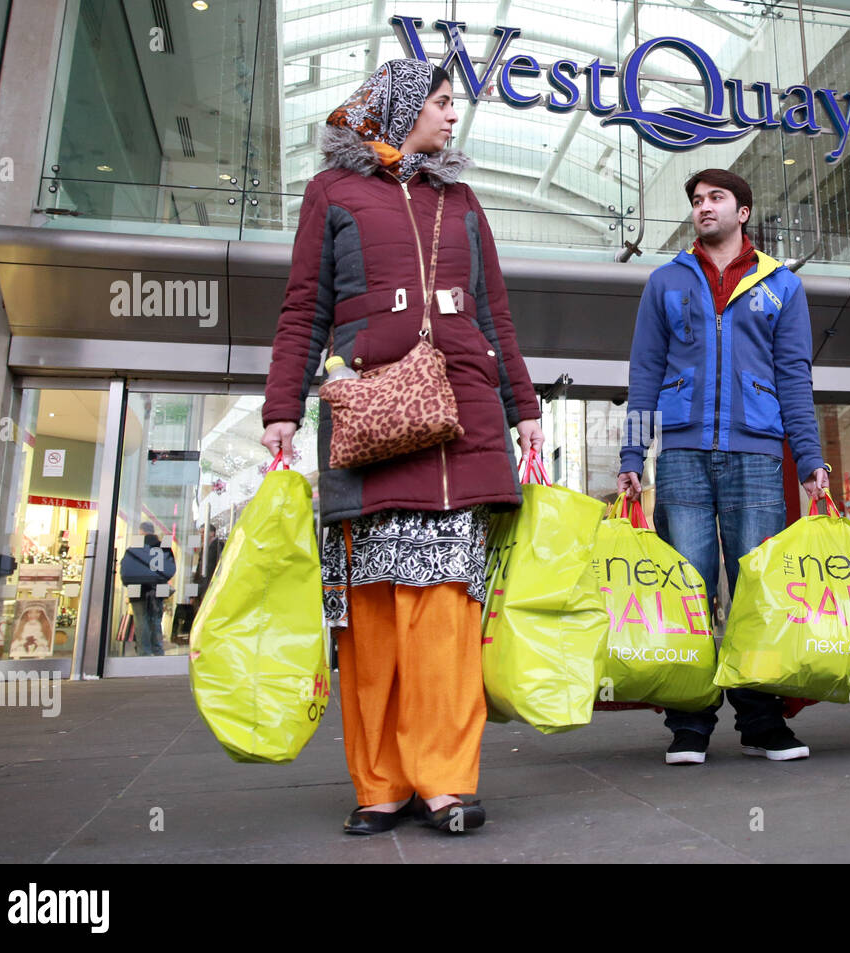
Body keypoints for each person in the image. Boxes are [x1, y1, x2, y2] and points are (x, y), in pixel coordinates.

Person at [260, 60, 544, 835]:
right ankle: (381, 783)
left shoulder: (461, 200)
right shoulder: (332, 194)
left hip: (459, 432)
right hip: (367, 427)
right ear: (400, 107)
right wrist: (281, 408)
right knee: (373, 620)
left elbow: (496, 315)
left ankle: (445, 781)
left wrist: (525, 407)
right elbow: (302, 310)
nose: (453, 116)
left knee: (446, 616)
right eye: (442, 102)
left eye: (455, 103)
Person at [617, 168, 829, 766]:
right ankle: (690, 724)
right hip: (681, 456)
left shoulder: (781, 285)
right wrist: (632, 455)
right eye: (695, 200)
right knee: (689, 591)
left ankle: (762, 722)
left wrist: (810, 459)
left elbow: (794, 377)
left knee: (756, 593)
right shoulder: (665, 282)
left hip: (758, 455)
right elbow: (643, 376)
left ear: (743, 211)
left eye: (715, 199)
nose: (702, 207)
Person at [130, 522, 168, 657]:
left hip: (139, 590)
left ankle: (144, 652)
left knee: (141, 620)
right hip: (157, 590)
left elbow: (128, 568)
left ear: (142, 532)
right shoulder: (163, 547)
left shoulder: (137, 546)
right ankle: (158, 650)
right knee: (156, 620)